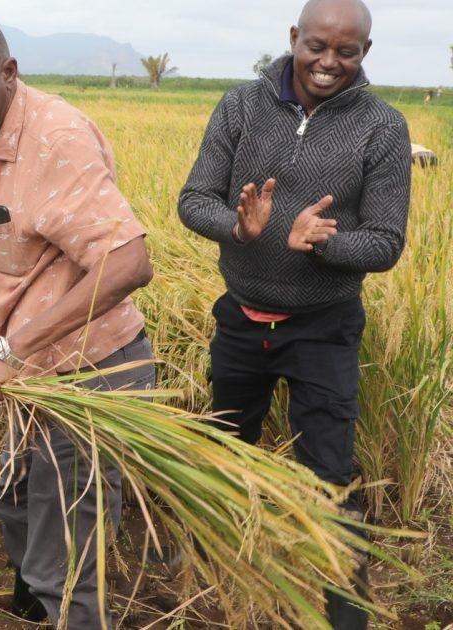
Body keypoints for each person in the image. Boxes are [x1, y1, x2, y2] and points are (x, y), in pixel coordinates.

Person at [177, 0, 410, 627]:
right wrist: (239, 226)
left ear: (365, 52)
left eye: (346, 51)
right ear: (293, 39)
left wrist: (324, 242)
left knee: (330, 478)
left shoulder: (383, 127)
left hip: (324, 329)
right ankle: (213, 586)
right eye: (316, 46)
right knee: (225, 452)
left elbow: (387, 242)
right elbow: (194, 199)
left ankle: (344, 612)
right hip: (241, 320)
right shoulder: (240, 107)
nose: (328, 62)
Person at [0, 11, 155, 628]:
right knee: (15, 505)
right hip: (29, 373)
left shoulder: (55, 141)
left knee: (69, 563)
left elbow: (128, 262)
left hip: (89, 376)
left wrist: (9, 350)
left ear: (8, 73)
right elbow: (24, 257)